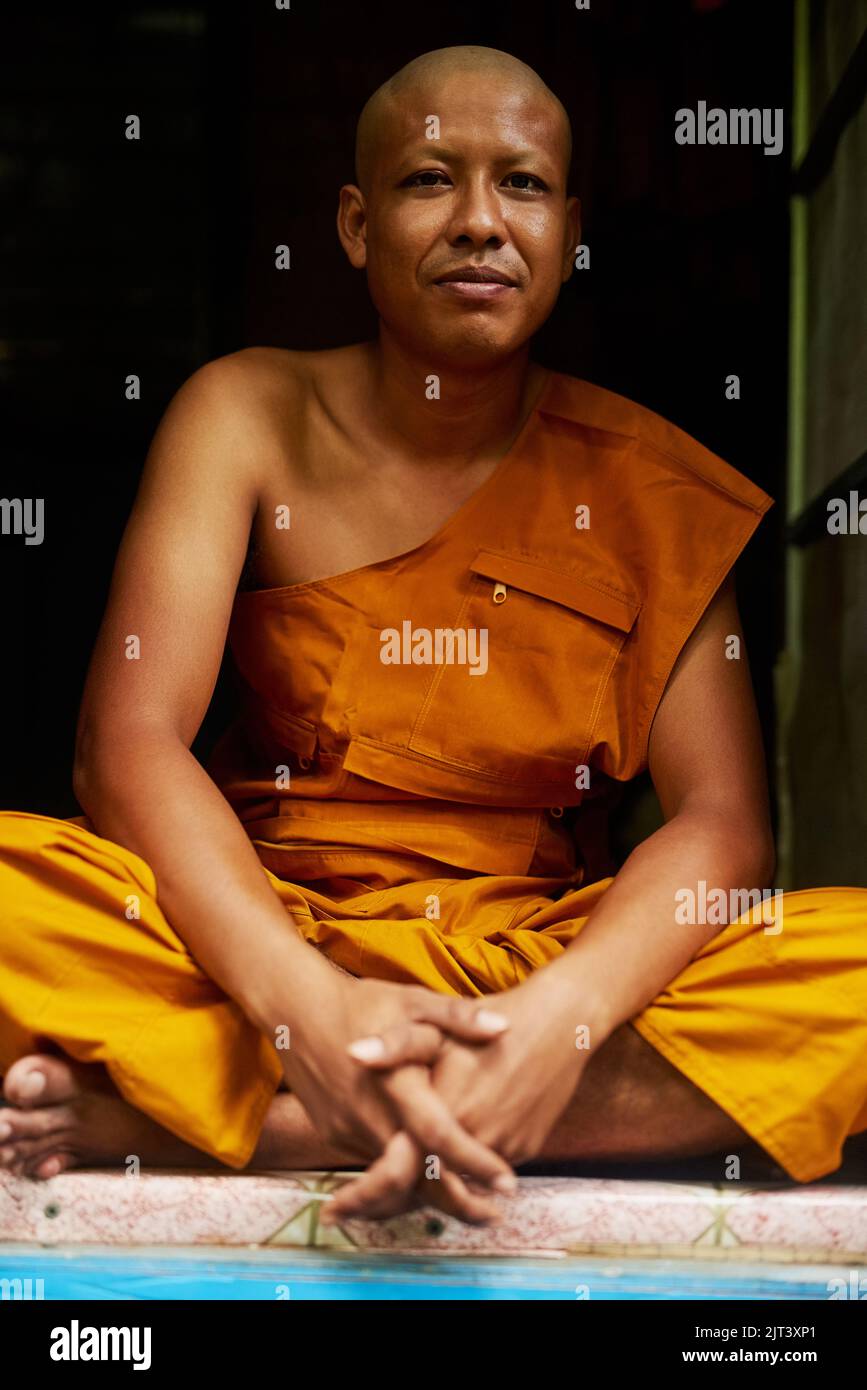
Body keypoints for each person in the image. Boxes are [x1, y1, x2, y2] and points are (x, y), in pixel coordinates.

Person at [1, 46, 865, 1229]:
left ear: (570, 230)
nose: (479, 222)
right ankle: (409, 1097)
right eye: (428, 180)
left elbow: (722, 824)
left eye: (523, 184)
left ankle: (229, 1123)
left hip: (534, 956)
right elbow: (127, 745)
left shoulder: (649, 483)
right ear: (357, 226)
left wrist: (558, 1024)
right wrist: (307, 1008)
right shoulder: (247, 413)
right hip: (262, 931)